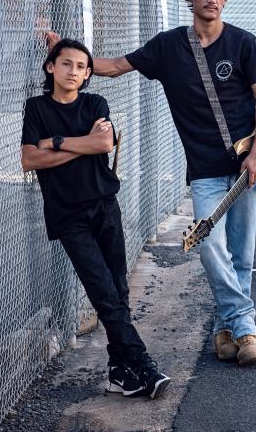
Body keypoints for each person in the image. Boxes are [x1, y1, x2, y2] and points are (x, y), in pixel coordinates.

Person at [55, 0, 256, 367]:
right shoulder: (169, 47)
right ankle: (245, 326)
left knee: (242, 253)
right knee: (210, 245)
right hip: (205, 168)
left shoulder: (244, 43)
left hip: (249, 165)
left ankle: (227, 332)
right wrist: (70, 55)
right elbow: (116, 66)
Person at [21, 38, 171, 399]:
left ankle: (119, 373)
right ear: (50, 67)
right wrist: (79, 142)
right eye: (66, 64)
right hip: (68, 215)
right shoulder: (36, 108)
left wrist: (54, 143)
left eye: (81, 67)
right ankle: (143, 365)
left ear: (88, 74)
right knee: (103, 293)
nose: (74, 71)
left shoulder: (95, 104)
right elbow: (29, 159)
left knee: (117, 291)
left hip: (104, 206)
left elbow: (103, 145)